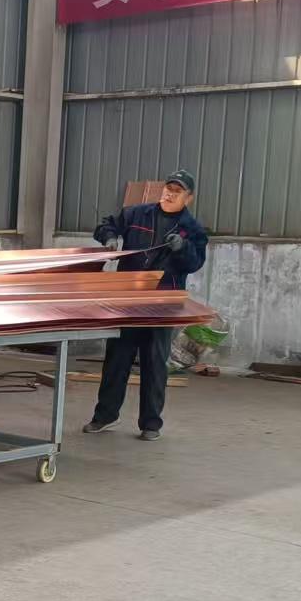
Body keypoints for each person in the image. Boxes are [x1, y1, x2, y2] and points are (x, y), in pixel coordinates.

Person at [82, 169, 208, 441]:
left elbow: (195, 263)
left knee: (154, 363)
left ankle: (151, 424)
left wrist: (182, 247)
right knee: (117, 360)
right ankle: (105, 416)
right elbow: (105, 225)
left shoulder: (192, 229)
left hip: (163, 304)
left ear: (188, 198)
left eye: (177, 191)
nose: (170, 194)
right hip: (129, 300)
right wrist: (110, 238)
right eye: (168, 188)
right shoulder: (136, 214)